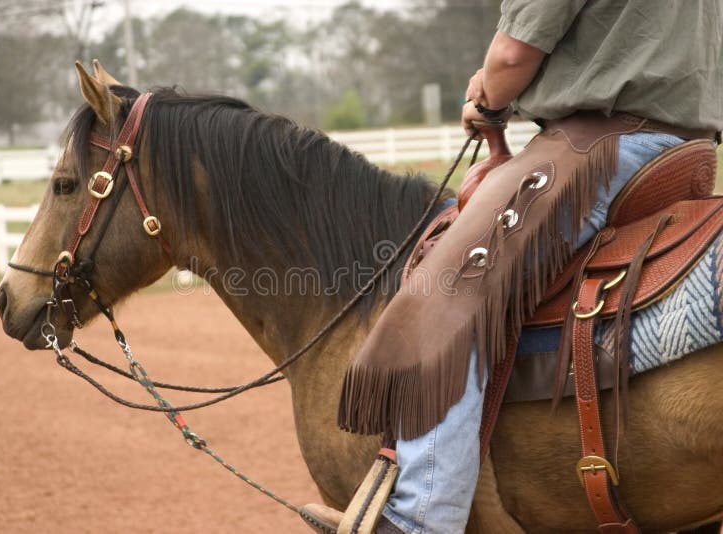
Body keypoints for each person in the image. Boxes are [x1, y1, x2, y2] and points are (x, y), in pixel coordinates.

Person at [303, 1, 722, 532]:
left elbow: (511, 55)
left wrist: (487, 95)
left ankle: (419, 518)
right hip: (689, 148)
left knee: (445, 298)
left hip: (599, 147)